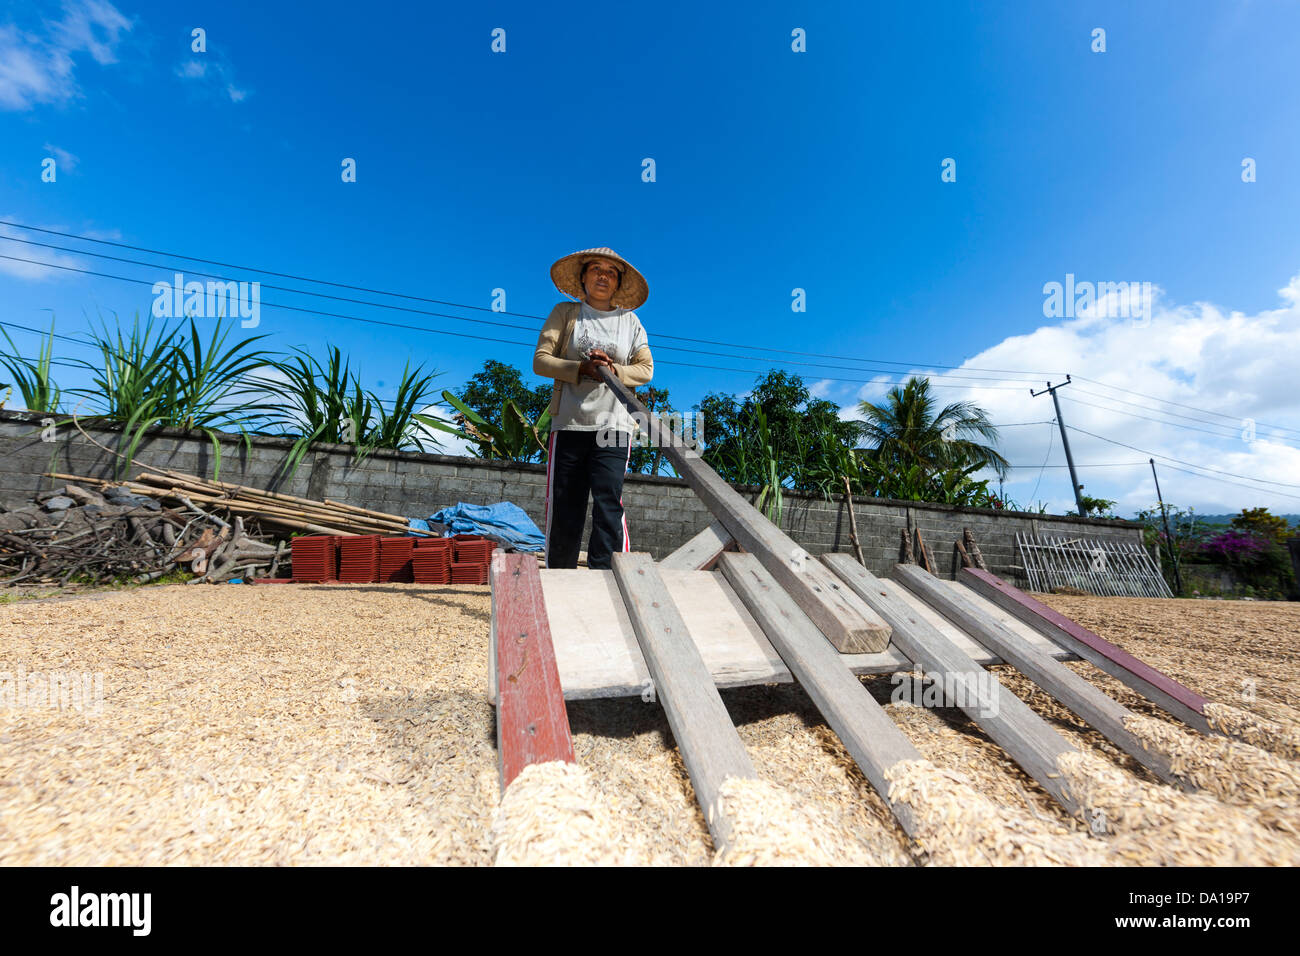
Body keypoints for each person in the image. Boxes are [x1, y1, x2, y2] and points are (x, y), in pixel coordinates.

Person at [533, 247, 653, 570]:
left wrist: (615, 372)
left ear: (617, 283)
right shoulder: (566, 313)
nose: (603, 276)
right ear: (584, 277)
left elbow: (646, 368)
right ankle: (561, 579)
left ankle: (608, 580)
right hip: (570, 423)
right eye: (596, 269)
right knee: (566, 505)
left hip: (614, 426)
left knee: (608, 503)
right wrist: (580, 369)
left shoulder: (629, 322)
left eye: (611, 272)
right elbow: (540, 360)